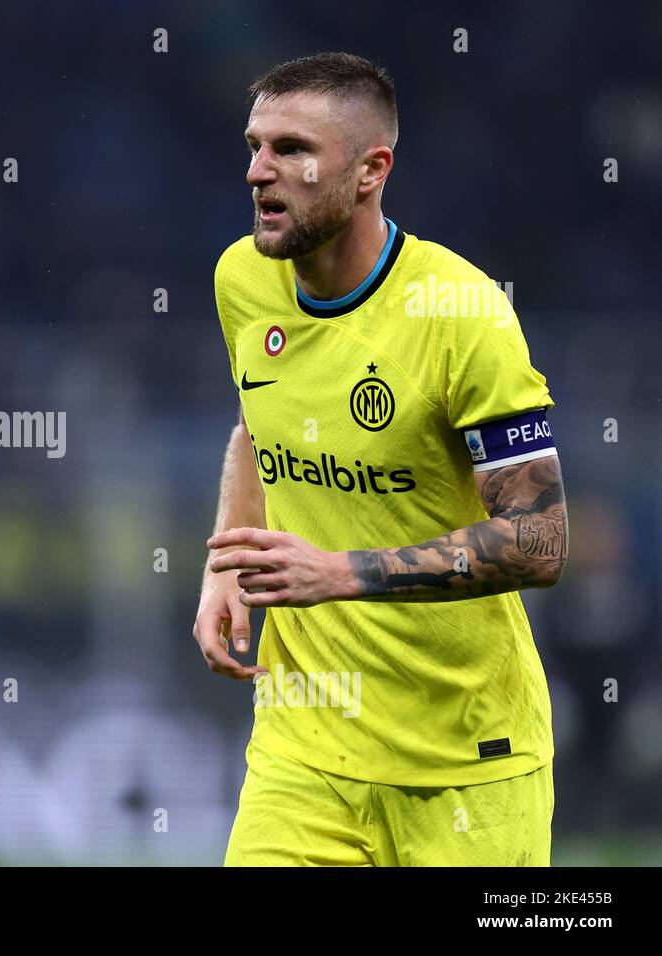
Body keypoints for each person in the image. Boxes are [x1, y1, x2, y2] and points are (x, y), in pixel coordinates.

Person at [196, 52, 569, 866]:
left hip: (467, 765)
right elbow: (261, 426)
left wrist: (342, 572)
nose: (261, 171)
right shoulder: (242, 280)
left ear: (372, 170)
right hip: (304, 751)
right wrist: (226, 560)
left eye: (293, 150)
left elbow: (540, 540)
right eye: (255, 146)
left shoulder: (462, 313)